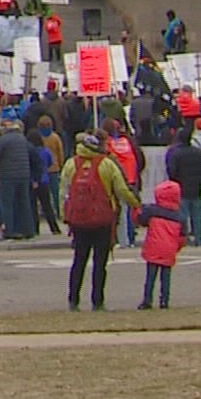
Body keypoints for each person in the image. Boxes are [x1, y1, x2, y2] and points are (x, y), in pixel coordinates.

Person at [61, 132, 135, 312]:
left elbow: (64, 191)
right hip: (102, 219)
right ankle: (98, 300)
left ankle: (73, 299)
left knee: (79, 260)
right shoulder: (107, 164)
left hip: (79, 220)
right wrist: (135, 204)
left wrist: (65, 214)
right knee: (100, 263)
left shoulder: (72, 164)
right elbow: (121, 189)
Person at [136, 179, 186, 310]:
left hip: (153, 248)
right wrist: (176, 248)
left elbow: (141, 220)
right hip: (169, 250)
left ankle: (147, 300)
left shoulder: (152, 211)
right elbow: (182, 237)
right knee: (166, 277)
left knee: (150, 277)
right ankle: (164, 300)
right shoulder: (179, 216)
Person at [0, 119, 35, 240]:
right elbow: (31, 153)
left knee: (7, 204)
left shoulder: (3, 140)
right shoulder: (22, 139)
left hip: (7, 176)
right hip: (24, 174)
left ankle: (10, 230)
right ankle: (28, 230)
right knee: (24, 203)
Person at [164, 127, 201, 243]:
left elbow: (171, 170)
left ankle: (185, 237)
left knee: (183, 215)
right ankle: (199, 238)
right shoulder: (198, 152)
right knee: (197, 216)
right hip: (196, 186)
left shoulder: (176, 153)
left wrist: (174, 181)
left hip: (181, 187)